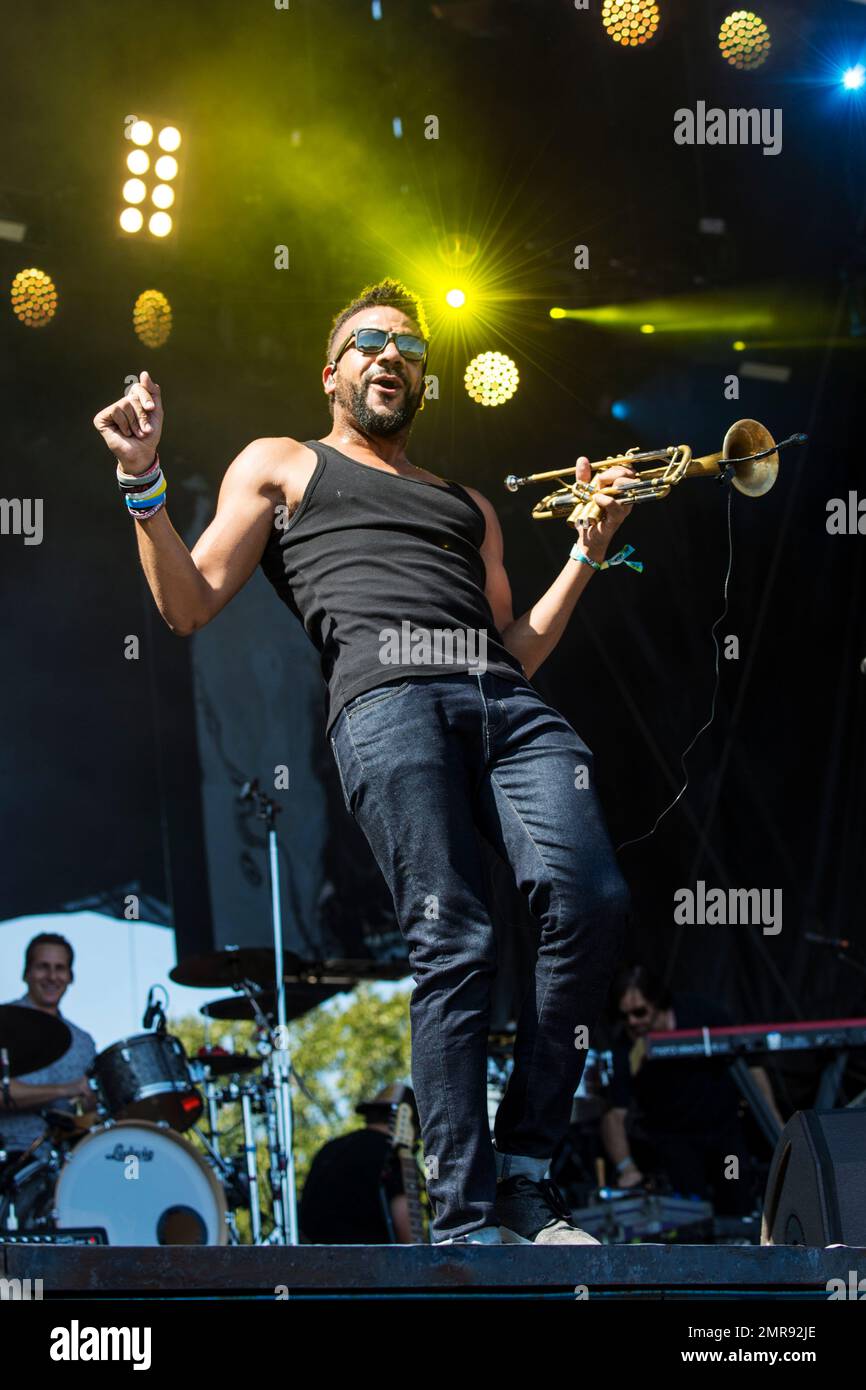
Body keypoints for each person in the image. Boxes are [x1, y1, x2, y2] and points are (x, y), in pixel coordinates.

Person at [92, 277, 634, 1245]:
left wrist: (586, 552)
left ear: (423, 377)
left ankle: (521, 1172)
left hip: (499, 700)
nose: (393, 353)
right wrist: (143, 479)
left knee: (589, 894)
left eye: (410, 346)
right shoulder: (282, 463)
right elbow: (186, 602)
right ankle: (465, 1219)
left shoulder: (467, 505)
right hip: (384, 700)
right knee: (454, 934)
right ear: (333, 371)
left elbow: (513, 647)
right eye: (371, 340)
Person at [601, 964, 784, 1217]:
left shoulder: (704, 1014)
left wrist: (779, 1129)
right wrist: (627, 1168)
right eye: (625, 1016)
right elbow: (614, 1114)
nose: (633, 1022)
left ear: (659, 1004)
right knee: (689, 1217)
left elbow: (752, 1068)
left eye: (640, 1012)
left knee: (738, 1208)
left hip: (724, 1132)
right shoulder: (624, 1046)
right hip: (673, 1140)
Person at [0, 934, 97, 1160]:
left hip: (66, 1164)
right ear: (27, 974)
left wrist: (92, 1105)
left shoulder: (83, 1043)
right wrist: (65, 1089)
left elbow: (92, 1114)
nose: (52, 976)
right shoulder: (3, 1024)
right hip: (9, 1158)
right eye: (43, 967)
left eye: (60, 968)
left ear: (70, 977)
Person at [299, 1085, 416, 1244]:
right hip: (376, 1265)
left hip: (314, 1262)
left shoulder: (329, 1149)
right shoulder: (395, 1155)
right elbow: (405, 1224)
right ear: (413, 1125)